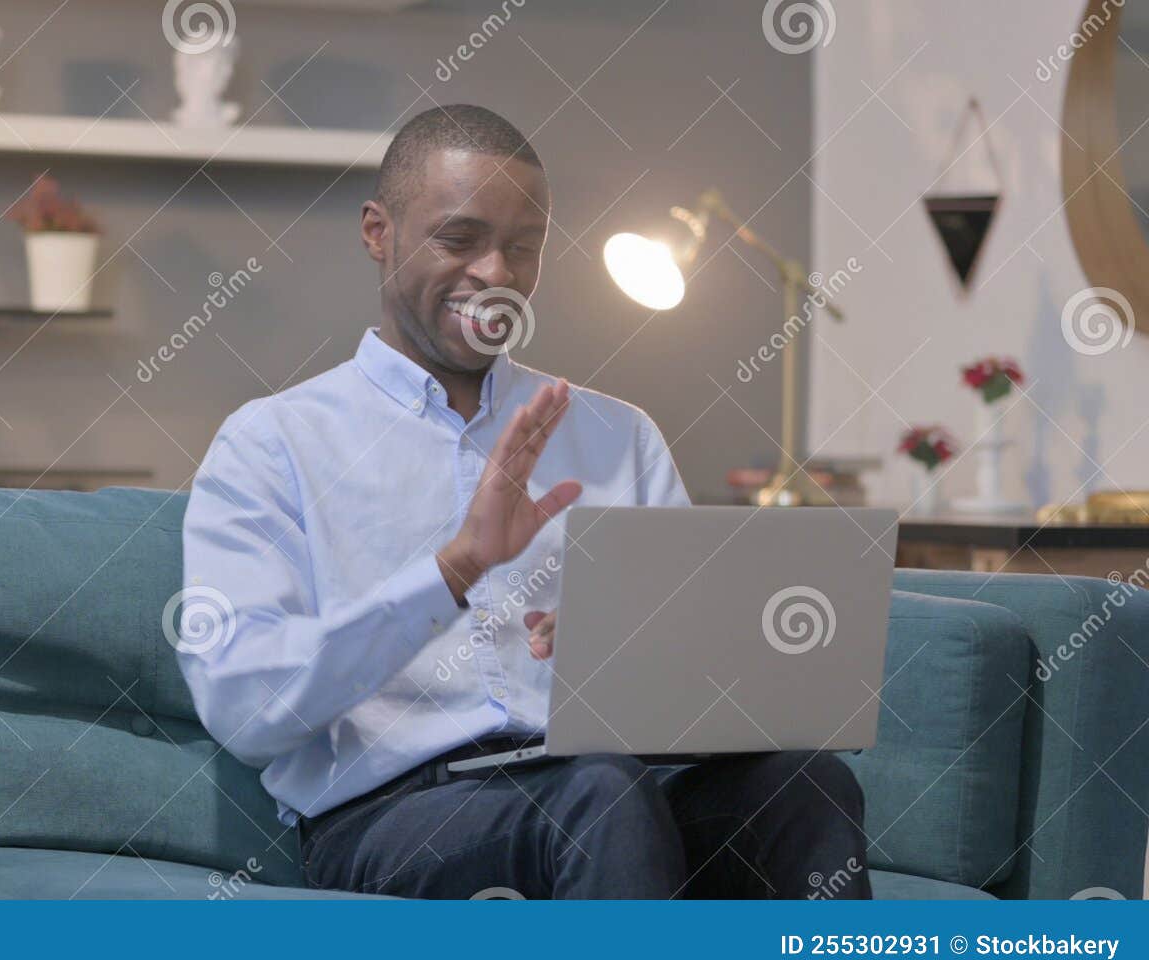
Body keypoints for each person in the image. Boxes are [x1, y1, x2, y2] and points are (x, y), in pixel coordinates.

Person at [176, 104, 869, 899]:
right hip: (395, 814)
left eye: (524, 247)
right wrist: (454, 569)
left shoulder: (619, 435)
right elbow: (243, 705)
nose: (496, 274)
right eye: (460, 240)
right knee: (600, 797)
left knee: (804, 787)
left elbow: (701, 693)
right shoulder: (272, 443)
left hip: (612, 787)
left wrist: (630, 655)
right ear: (378, 232)